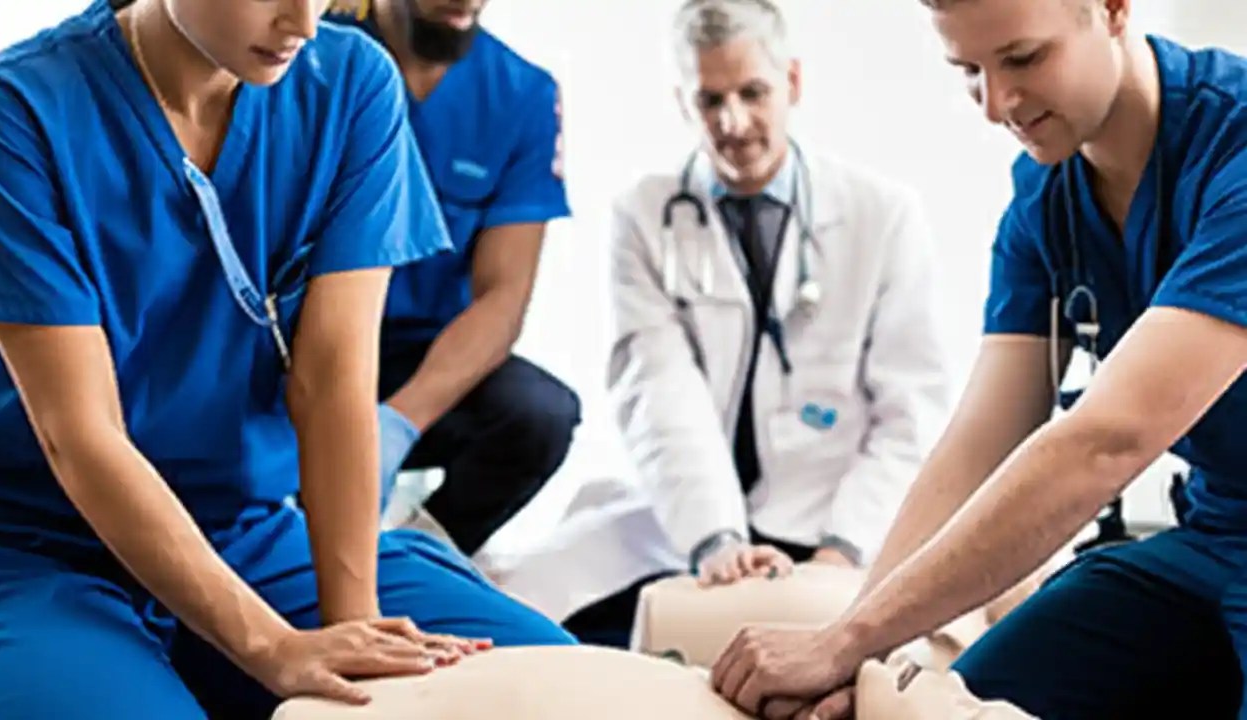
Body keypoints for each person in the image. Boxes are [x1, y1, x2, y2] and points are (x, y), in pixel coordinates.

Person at [0, 1, 574, 719]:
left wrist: (356, 638)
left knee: (554, 689)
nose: (304, 21)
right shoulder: (12, 110)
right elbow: (80, 434)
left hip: (246, 532)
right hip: (37, 546)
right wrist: (269, 647)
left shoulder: (350, 86)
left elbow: (332, 382)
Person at [708, 0, 1247, 718]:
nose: (997, 106)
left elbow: (1106, 439)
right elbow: (981, 441)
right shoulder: (1045, 199)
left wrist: (848, 640)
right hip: (1214, 541)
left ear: (1114, 8)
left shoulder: (1235, 144)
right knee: (943, 705)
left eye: (1023, 59)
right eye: (969, 71)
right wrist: (853, 649)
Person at [561, 0, 951, 648]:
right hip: (690, 519)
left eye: (752, 92)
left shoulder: (881, 215)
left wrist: (844, 548)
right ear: (683, 102)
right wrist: (716, 538)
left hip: (834, 514)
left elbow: (911, 407)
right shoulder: (643, 215)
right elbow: (659, 392)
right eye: (709, 100)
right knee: (556, 619)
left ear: (793, 81)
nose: (732, 123)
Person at [323, 0, 579, 558]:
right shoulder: (312, 56)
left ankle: (416, 560)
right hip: (305, 345)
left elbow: (504, 295)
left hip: (422, 359)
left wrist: (395, 425)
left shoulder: (522, 94)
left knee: (538, 415)